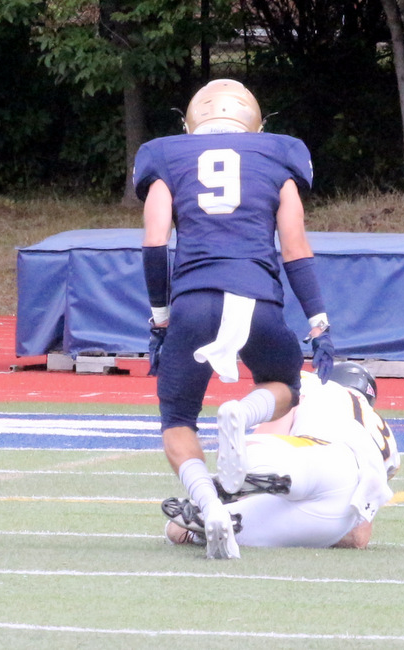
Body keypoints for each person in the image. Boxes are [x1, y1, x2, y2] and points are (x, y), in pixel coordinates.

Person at [134, 79, 335, 559]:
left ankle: (207, 505)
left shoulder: (166, 157)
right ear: (257, 124)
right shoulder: (278, 157)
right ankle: (241, 413)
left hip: (194, 299)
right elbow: (295, 246)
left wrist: (159, 318)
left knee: (178, 420)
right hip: (259, 297)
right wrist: (319, 320)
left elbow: (155, 242)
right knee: (285, 386)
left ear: (189, 122)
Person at [162, 362, 401, 549]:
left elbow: (273, 429)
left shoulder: (313, 384)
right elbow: (359, 536)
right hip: (338, 511)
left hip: (317, 454)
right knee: (196, 529)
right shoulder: (386, 438)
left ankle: (254, 478)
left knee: (176, 528)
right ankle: (222, 520)